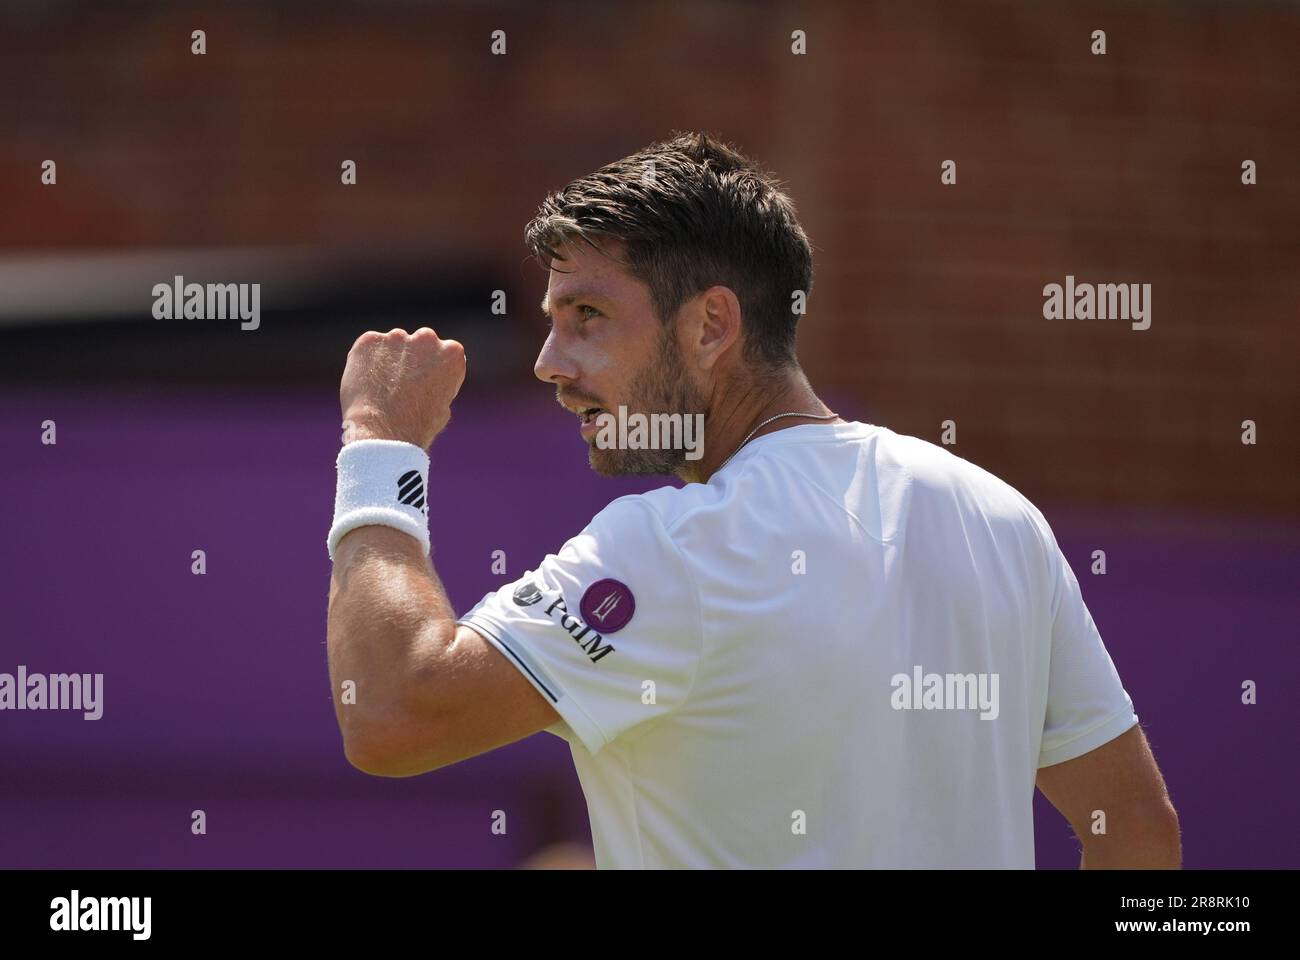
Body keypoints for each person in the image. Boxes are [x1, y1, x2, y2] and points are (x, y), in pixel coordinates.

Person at [325, 131, 1180, 869]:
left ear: (710, 326)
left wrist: (378, 441)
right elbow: (1139, 832)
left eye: (586, 315)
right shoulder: (1001, 518)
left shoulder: (673, 548)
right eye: (553, 319)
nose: (551, 361)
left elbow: (396, 710)